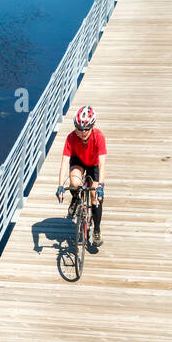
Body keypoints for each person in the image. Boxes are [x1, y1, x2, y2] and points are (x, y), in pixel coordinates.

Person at [54, 105, 106, 247]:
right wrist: (59, 186)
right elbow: (65, 162)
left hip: (93, 164)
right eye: (79, 128)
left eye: (86, 129)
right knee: (75, 182)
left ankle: (96, 230)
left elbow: (102, 163)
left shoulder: (99, 137)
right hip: (78, 160)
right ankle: (76, 198)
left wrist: (100, 185)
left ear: (92, 126)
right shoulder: (71, 138)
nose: (82, 132)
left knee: (96, 196)